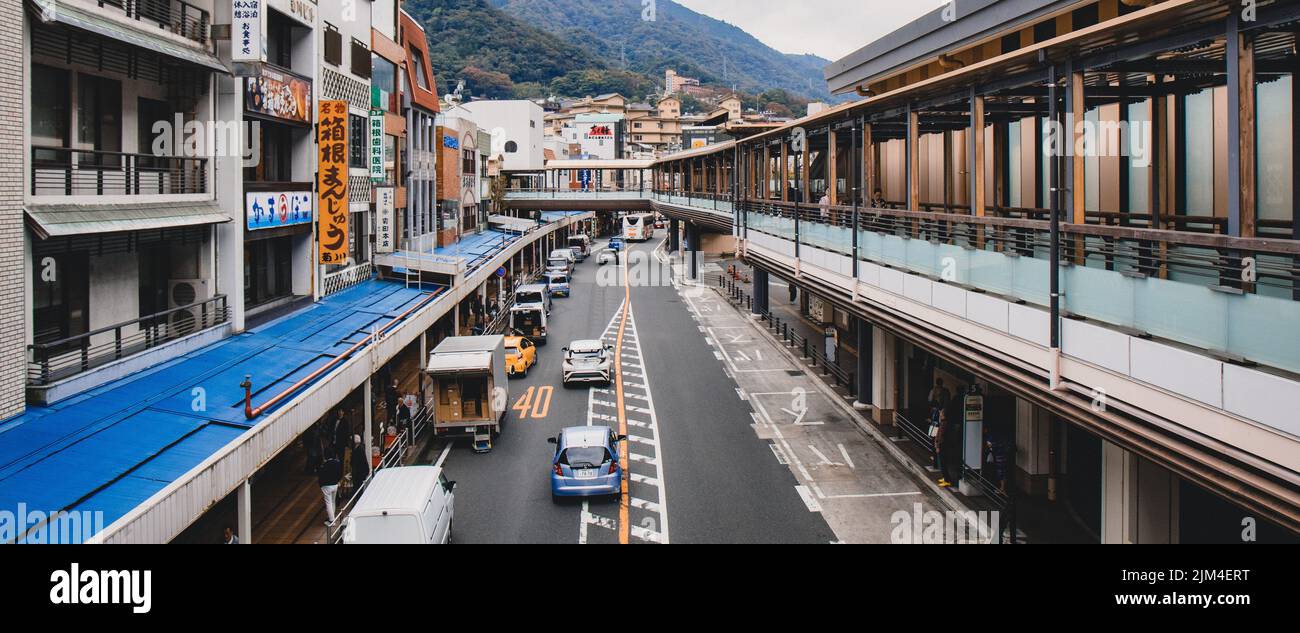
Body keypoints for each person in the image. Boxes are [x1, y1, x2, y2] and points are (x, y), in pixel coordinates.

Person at [317, 455, 343, 525]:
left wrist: (321, 485)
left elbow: (320, 475)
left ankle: (331, 520)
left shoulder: (324, 465)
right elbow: (340, 473)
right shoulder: (337, 463)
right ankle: (332, 517)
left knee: (328, 503)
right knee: (333, 502)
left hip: (326, 486)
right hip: (335, 485)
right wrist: (338, 481)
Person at [933, 409, 954, 488]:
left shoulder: (943, 424)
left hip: (942, 446)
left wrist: (937, 446)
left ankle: (947, 480)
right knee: (943, 463)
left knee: (943, 463)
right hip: (944, 445)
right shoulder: (945, 423)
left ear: (943, 415)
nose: (940, 415)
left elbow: (941, 436)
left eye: (941, 413)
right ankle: (945, 478)